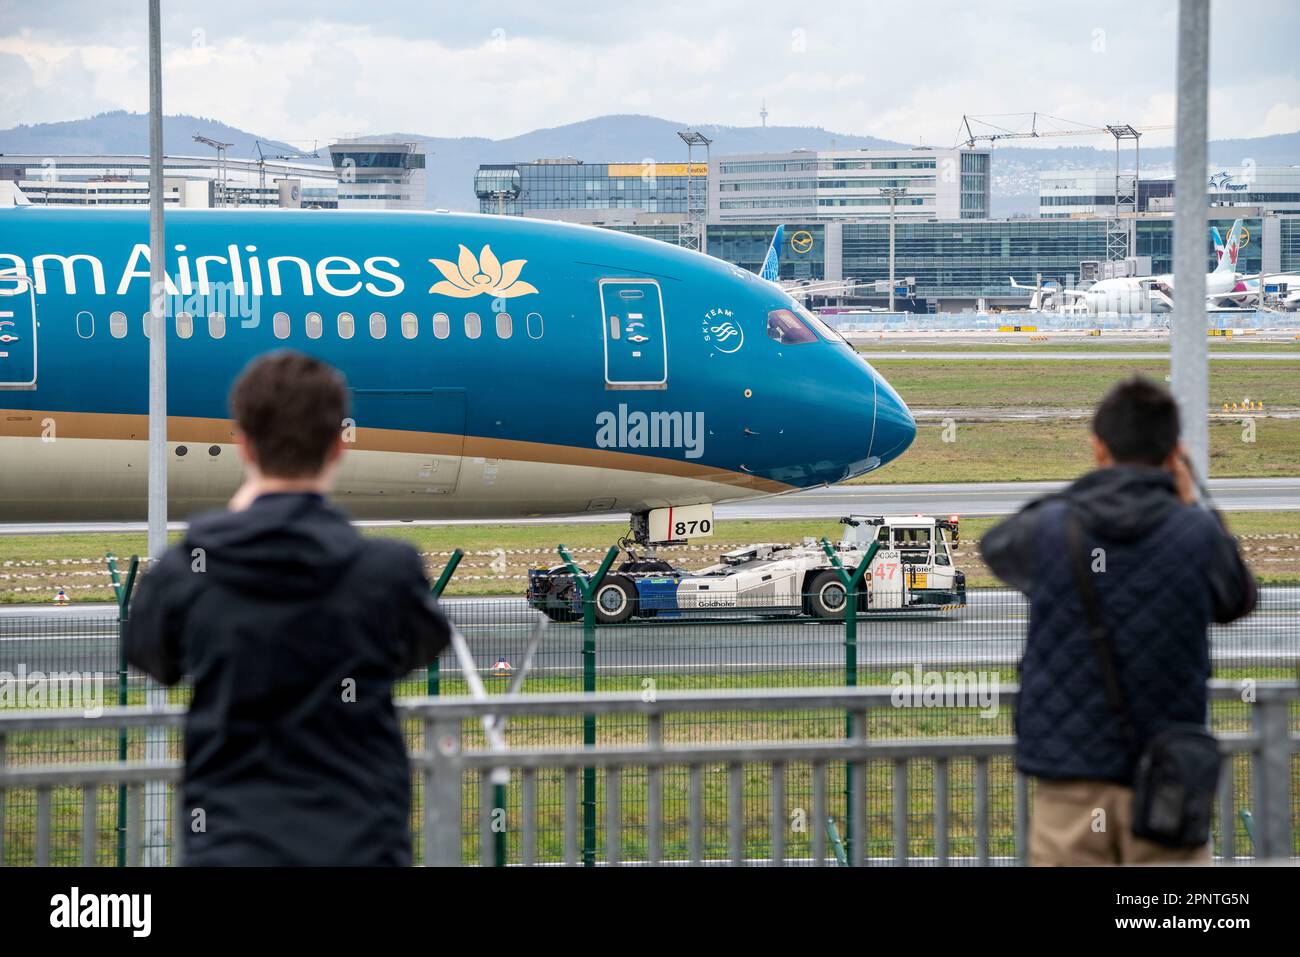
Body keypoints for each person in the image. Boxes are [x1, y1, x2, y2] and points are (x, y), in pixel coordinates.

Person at [126, 351, 451, 866]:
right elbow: (420, 645)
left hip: (231, 849)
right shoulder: (387, 572)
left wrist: (231, 525)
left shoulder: (189, 569)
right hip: (361, 847)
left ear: (244, 445)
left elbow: (149, 655)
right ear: (339, 446)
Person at [980, 375, 1255, 866]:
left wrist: (1093, 486)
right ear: (1174, 453)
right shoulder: (1195, 531)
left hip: (1072, 778)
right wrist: (1195, 502)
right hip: (1164, 777)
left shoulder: (1055, 524)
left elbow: (996, 547)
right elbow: (1238, 598)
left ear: (1098, 447)